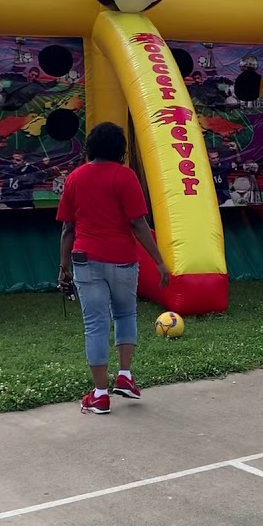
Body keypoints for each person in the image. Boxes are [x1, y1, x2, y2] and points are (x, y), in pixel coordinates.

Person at [57, 122, 171, 415]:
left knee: (95, 324)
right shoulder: (126, 177)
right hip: (122, 259)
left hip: (85, 259)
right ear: (120, 151)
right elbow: (138, 223)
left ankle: (99, 394)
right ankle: (125, 376)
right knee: (125, 313)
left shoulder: (74, 179)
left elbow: (68, 229)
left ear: (89, 148)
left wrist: (63, 266)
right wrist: (158, 260)